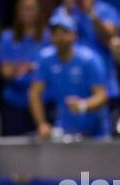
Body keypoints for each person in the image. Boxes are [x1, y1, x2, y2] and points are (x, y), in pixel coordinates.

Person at [29, 10, 110, 139]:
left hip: (96, 131)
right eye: (55, 33)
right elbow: (35, 93)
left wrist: (83, 105)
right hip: (65, 129)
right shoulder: (45, 59)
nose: (59, 37)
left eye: (64, 32)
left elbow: (102, 95)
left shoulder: (90, 59)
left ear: (74, 35)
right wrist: (42, 124)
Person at [0, 0, 47, 136]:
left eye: (31, 8)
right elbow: (5, 72)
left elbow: (48, 72)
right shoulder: (7, 37)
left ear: (39, 11)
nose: (27, 13)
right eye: (24, 8)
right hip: (14, 102)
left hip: (43, 101)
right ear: (17, 11)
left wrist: (20, 68)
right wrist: (31, 67)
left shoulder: (48, 37)